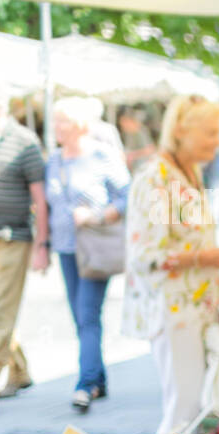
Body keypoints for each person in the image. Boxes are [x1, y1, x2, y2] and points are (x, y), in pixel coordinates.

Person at [123, 94, 219, 434]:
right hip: (173, 310)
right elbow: (146, 256)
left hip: (195, 307)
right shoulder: (156, 179)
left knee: (197, 405)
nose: (216, 142)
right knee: (183, 407)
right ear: (179, 130)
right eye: (209, 133)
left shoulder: (188, 173)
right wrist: (210, 257)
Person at [45, 97, 130, 414]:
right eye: (55, 121)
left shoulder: (102, 155)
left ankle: (85, 384)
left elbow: (127, 196)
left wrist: (99, 215)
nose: (56, 128)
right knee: (80, 317)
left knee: (87, 313)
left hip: (95, 247)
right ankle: (98, 379)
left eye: (62, 122)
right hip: (66, 248)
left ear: (79, 125)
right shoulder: (54, 160)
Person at [0, 82, 49, 403]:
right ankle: (19, 370)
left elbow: (40, 200)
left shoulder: (24, 142)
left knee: (1, 309)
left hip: (13, 238)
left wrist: (42, 245)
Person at [118, 109, 156, 173]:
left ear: (130, 121)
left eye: (124, 123)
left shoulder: (140, 131)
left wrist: (133, 155)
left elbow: (150, 150)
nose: (122, 126)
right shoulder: (128, 134)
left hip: (144, 167)